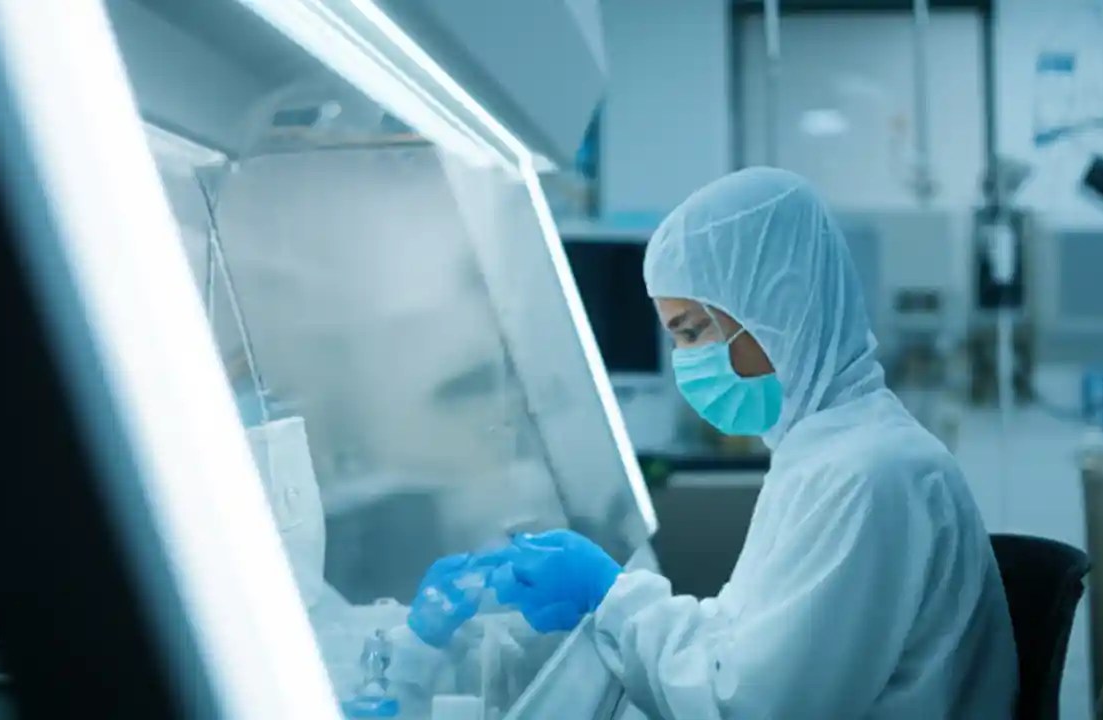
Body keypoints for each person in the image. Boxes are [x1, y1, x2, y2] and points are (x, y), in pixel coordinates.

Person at [410, 167, 1018, 719]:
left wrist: (610, 594)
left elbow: (751, 705)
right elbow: (745, 645)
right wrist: (609, 610)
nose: (686, 361)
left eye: (695, 331)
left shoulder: (870, 475)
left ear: (780, 310)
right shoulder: (823, 455)